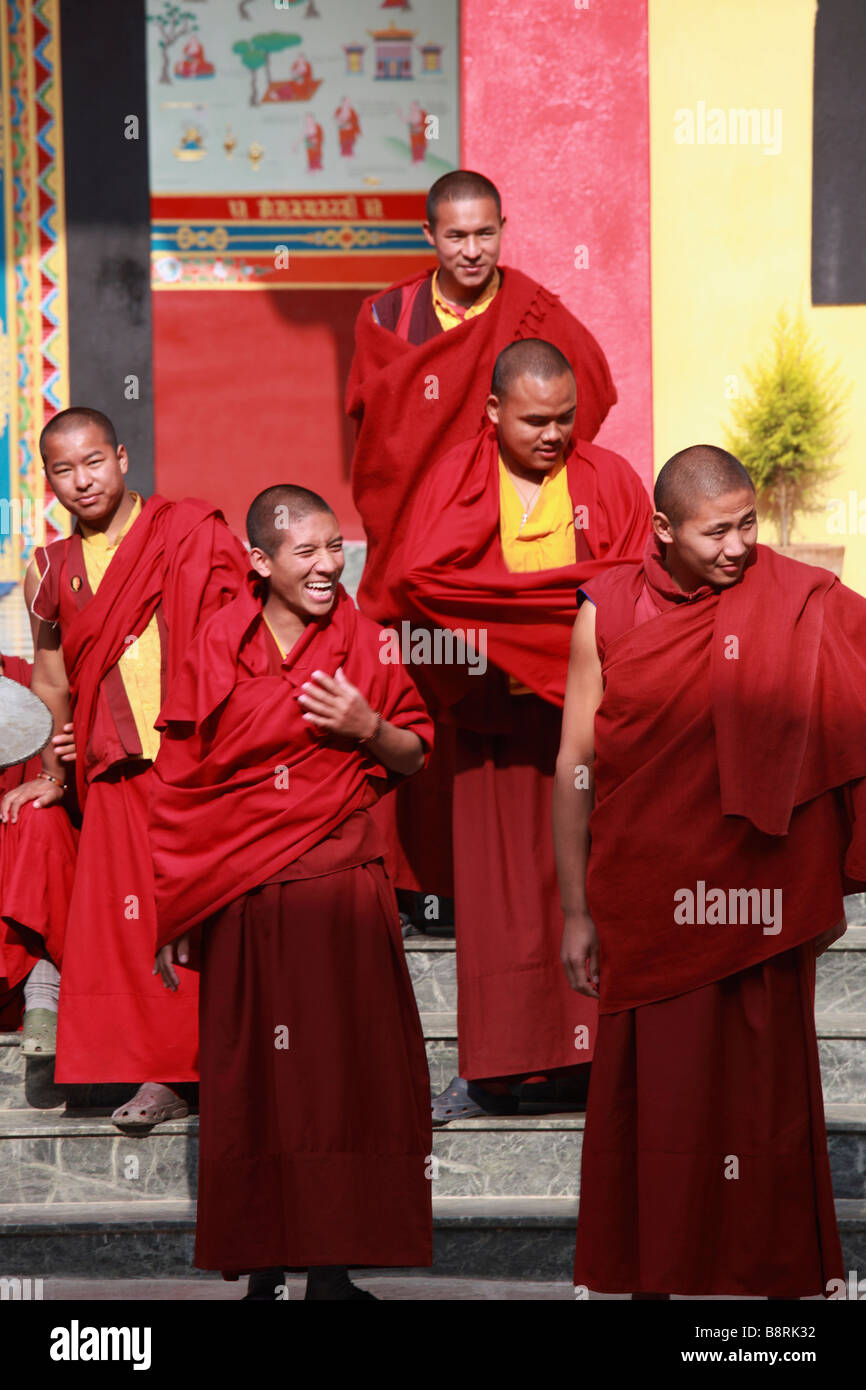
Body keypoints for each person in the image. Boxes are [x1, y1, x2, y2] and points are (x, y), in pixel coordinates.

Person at [554, 444, 866, 1297]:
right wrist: (575, 910)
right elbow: (575, 763)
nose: (738, 547)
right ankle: (652, 1273)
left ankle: (775, 1287)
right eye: (716, 531)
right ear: (661, 529)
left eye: (747, 525)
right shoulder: (608, 609)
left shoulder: (797, 598)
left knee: (766, 1098)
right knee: (659, 1098)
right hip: (650, 898)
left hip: (761, 896)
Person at [152, 485, 434, 1300]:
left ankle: (335, 1271)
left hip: (340, 886)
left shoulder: (368, 643)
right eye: (304, 551)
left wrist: (367, 727)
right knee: (255, 1083)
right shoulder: (214, 642)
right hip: (244, 895)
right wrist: (180, 898)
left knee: (346, 1078)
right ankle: (266, 1267)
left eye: (333, 546)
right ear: (261, 562)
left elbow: (415, 755)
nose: (325, 564)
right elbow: (183, 778)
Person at [347, 168, 618, 921]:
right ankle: (427, 882)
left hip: (515, 547)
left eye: (486, 233)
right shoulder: (389, 317)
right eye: (457, 235)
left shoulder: (533, 309)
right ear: (429, 236)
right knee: (429, 707)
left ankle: (542, 883)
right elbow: (379, 444)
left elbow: (585, 390)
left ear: (504, 229)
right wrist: (427, 522)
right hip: (423, 554)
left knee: (533, 722)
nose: (473, 250)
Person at [398, 340, 650, 1119]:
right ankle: (498, 1071)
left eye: (566, 419)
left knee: (595, 891)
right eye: (535, 419)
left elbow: (635, 592)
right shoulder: (454, 480)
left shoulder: (607, 480)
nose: (553, 434)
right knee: (503, 903)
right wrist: (537, 623)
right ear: (494, 412)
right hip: (493, 728)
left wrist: (530, 620)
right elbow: (421, 590)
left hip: (589, 728)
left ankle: (603, 1058)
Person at [3, 406, 248, 1127]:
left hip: (194, 760)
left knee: (196, 915)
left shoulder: (186, 533)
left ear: (121, 458)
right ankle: (159, 1072)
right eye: (62, 471)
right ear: (46, 481)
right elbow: (52, 679)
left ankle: (221, 1064)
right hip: (113, 769)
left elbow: (234, 636)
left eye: (93, 462)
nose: (81, 481)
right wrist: (54, 768)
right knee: (130, 928)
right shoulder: (49, 567)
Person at [0, 652, 77, 1045]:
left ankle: (45, 990)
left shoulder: (33, 681)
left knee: (39, 817)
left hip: (27, 838)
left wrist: (74, 755)